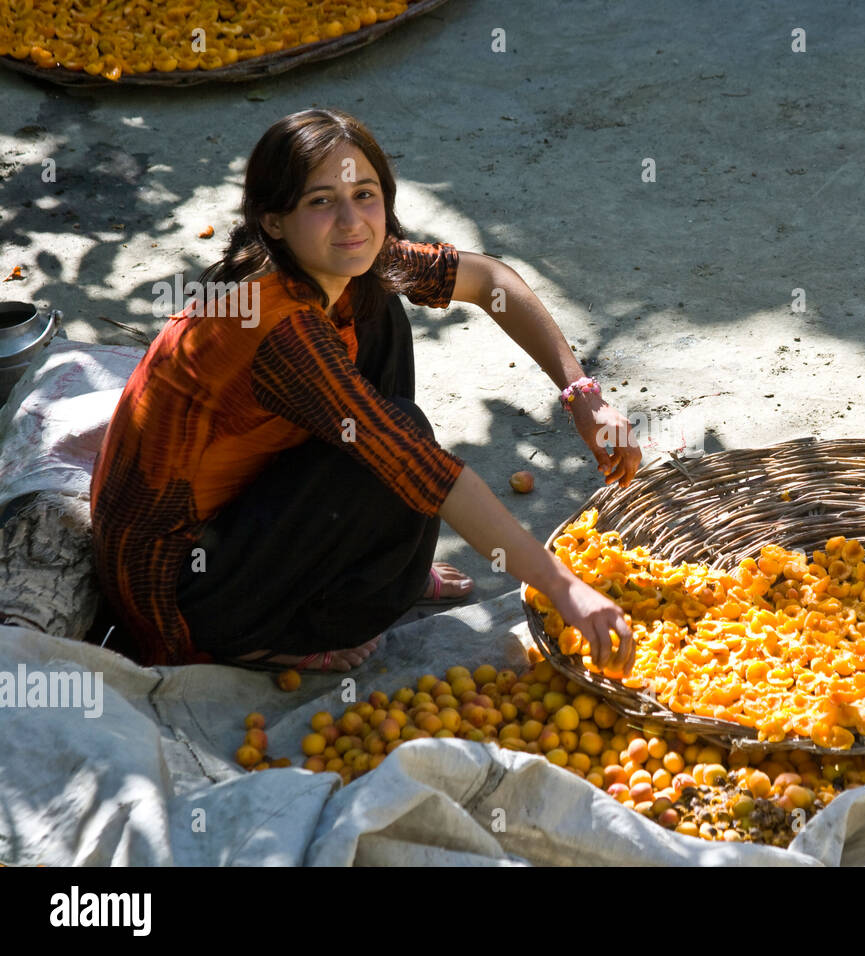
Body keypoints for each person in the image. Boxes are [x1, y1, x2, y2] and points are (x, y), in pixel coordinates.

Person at [89, 108, 642, 675]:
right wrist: (566, 588)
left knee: (378, 308)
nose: (352, 221)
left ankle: (382, 563)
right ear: (274, 221)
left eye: (365, 194)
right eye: (321, 201)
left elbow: (491, 281)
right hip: (183, 590)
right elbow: (421, 469)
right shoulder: (280, 331)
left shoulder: (336, 261)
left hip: (235, 517)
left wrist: (583, 395)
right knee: (401, 437)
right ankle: (259, 639)